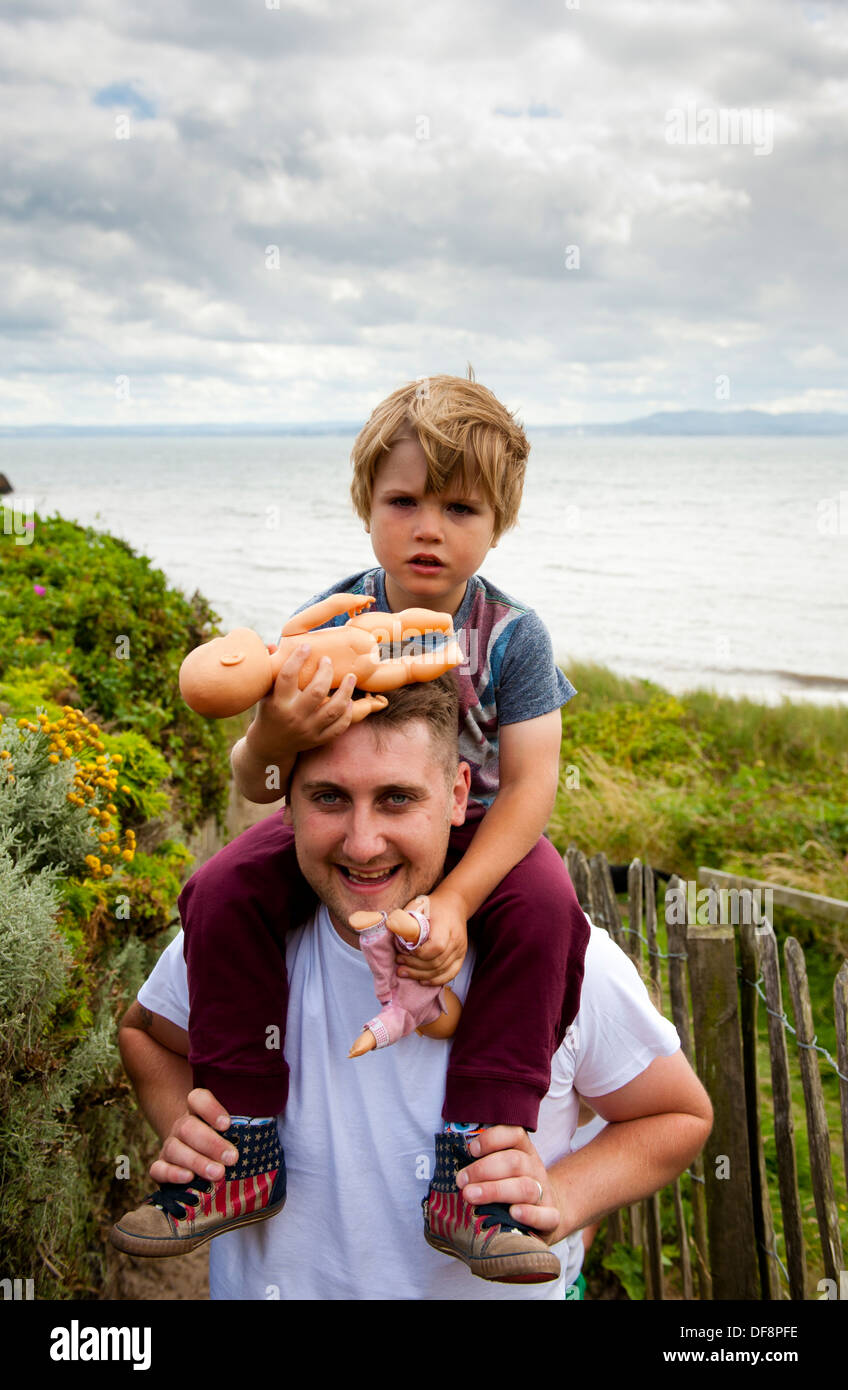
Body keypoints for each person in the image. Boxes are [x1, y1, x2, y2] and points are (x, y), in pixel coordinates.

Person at [114, 371, 593, 1277]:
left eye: (460, 507)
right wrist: (272, 734)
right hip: (354, 814)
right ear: (365, 505)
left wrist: (455, 900)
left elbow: (531, 788)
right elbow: (259, 783)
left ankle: (472, 1164)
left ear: (500, 523)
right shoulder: (337, 618)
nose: (428, 527)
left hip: (473, 833)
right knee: (221, 887)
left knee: (546, 907)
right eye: (403, 500)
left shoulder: (514, 637)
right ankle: (244, 1144)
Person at [113, 682, 713, 1301]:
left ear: (458, 795)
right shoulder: (239, 940)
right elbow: (143, 1035)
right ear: (286, 802)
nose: (363, 843)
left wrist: (560, 1199)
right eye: (329, 797)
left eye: (397, 799)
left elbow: (677, 1115)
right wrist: (202, 1144)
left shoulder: (555, 950)